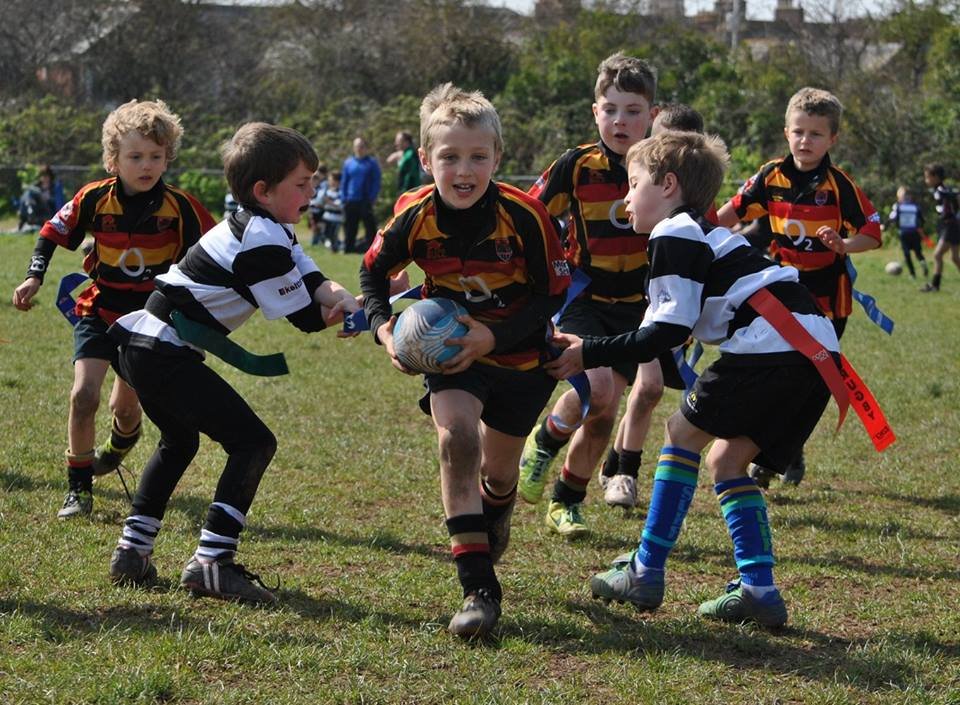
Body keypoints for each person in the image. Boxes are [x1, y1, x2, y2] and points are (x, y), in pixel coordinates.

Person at [546, 130, 842, 628]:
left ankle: (644, 570)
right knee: (727, 461)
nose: (625, 197)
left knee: (681, 435)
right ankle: (758, 590)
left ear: (667, 185)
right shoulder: (702, 231)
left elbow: (670, 329)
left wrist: (588, 352)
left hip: (769, 345)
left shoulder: (673, 232)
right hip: (815, 352)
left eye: (633, 183)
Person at [105, 122, 361, 604]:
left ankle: (132, 550)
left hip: (142, 343)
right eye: (302, 185)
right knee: (253, 442)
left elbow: (318, 283)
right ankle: (211, 562)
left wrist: (364, 299)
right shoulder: (263, 239)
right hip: (163, 350)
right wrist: (361, 314)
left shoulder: (268, 227)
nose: (313, 192)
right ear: (263, 190)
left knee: (179, 442)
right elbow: (307, 317)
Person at [360, 83, 570, 638]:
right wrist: (384, 328)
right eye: (449, 156)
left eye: (478, 156)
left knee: (498, 474)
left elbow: (552, 294)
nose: (463, 169)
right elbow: (373, 272)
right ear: (426, 160)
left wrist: (493, 338)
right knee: (456, 438)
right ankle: (478, 588)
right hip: (453, 358)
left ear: (498, 159)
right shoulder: (413, 214)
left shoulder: (525, 216)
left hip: (521, 360)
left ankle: (495, 508)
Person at [11, 99, 216, 519]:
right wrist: (34, 277)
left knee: (124, 409)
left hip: (151, 320)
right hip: (100, 309)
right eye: (135, 156)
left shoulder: (181, 208)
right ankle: (78, 489)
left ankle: (122, 440)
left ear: (167, 158)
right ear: (114, 160)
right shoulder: (93, 198)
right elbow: (51, 234)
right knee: (83, 395)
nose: (147, 166)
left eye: (156, 157)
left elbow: (214, 255)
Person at [518, 51, 660, 534]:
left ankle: (566, 500)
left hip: (639, 309)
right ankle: (546, 438)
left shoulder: (665, 169)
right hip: (584, 298)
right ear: (594, 112)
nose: (621, 121)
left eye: (633, 111)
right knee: (596, 391)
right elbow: (529, 215)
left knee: (603, 413)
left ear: (653, 116)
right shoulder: (576, 166)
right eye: (611, 109)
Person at [716, 86, 881, 487]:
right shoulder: (770, 175)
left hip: (830, 296)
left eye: (816, 134)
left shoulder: (840, 185)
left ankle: (785, 451)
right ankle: (776, 454)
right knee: (776, 372)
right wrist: (692, 233)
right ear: (786, 132)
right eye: (798, 131)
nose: (805, 141)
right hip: (784, 291)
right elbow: (728, 214)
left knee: (814, 380)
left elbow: (873, 233)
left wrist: (844, 244)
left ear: (832, 139)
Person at [601, 102, 716, 515]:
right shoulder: (637, 178)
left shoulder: (688, 206)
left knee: (644, 393)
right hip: (627, 302)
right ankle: (623, 472)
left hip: (667, 306)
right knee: (642, 389)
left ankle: (616, 462)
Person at [920, 163, 960, 292]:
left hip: (951, 225)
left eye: (927, 177)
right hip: (948, 225)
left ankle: (935, 286)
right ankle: (935, 286)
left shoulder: (943, 190)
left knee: (937, 254)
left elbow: (953, 195)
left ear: (935, 177)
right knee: (954, 258)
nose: (926, 180)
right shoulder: (939, 190)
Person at [340, 137, 381, 253]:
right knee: (350, 226)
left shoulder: (372, 163)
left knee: (370, 227)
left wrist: (372, 197)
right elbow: (344, 181)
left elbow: (376, 181)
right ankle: (348, 249)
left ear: (366, 148)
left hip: (365, 199)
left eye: (362, 146)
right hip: (351, 199)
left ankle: (372, 250)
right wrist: (343, 197)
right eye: (357, 146)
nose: (359, 149)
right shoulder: (348, 163)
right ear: (354, 148)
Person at [887, 186, 928, 280]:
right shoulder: (915, 206)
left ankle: (913, 273)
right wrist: (920, 227)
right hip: (913, 233)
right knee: (916, 253)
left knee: (908, 254)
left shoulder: (899, 206)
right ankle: (921, 266)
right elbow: (922, 220)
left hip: (905, 233)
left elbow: (892, 218)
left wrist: (885, 226)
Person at [17, 164, 66, 232]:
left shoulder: (55, 187)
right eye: (42, 176)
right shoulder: (36, 186)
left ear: (50, 176)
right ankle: (25, 217)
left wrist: (49, 198)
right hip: (36, 210)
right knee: (27, 195)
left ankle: (29, 219)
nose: (44, 178)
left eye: (46, 175)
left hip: (49, 213)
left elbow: (59, 205)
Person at [319, 170, 344, 251]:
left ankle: (336, 248)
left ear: (337, 181)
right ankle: (331, 246)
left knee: (333, 235)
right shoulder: (327, 191)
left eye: (331, 180)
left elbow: (339, 205)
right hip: (326, 217)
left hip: (336, 219)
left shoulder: (341, 192)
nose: (329, 182)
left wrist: (328, 201)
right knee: (324, 234)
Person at [308, 165, 328, 246]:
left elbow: (322, 196)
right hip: (313, 209)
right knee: (314, 226)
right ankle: (314, 241)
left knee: (319, 226)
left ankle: (318, 241)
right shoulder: (314, 183)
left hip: (321, 209)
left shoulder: (325, 184)